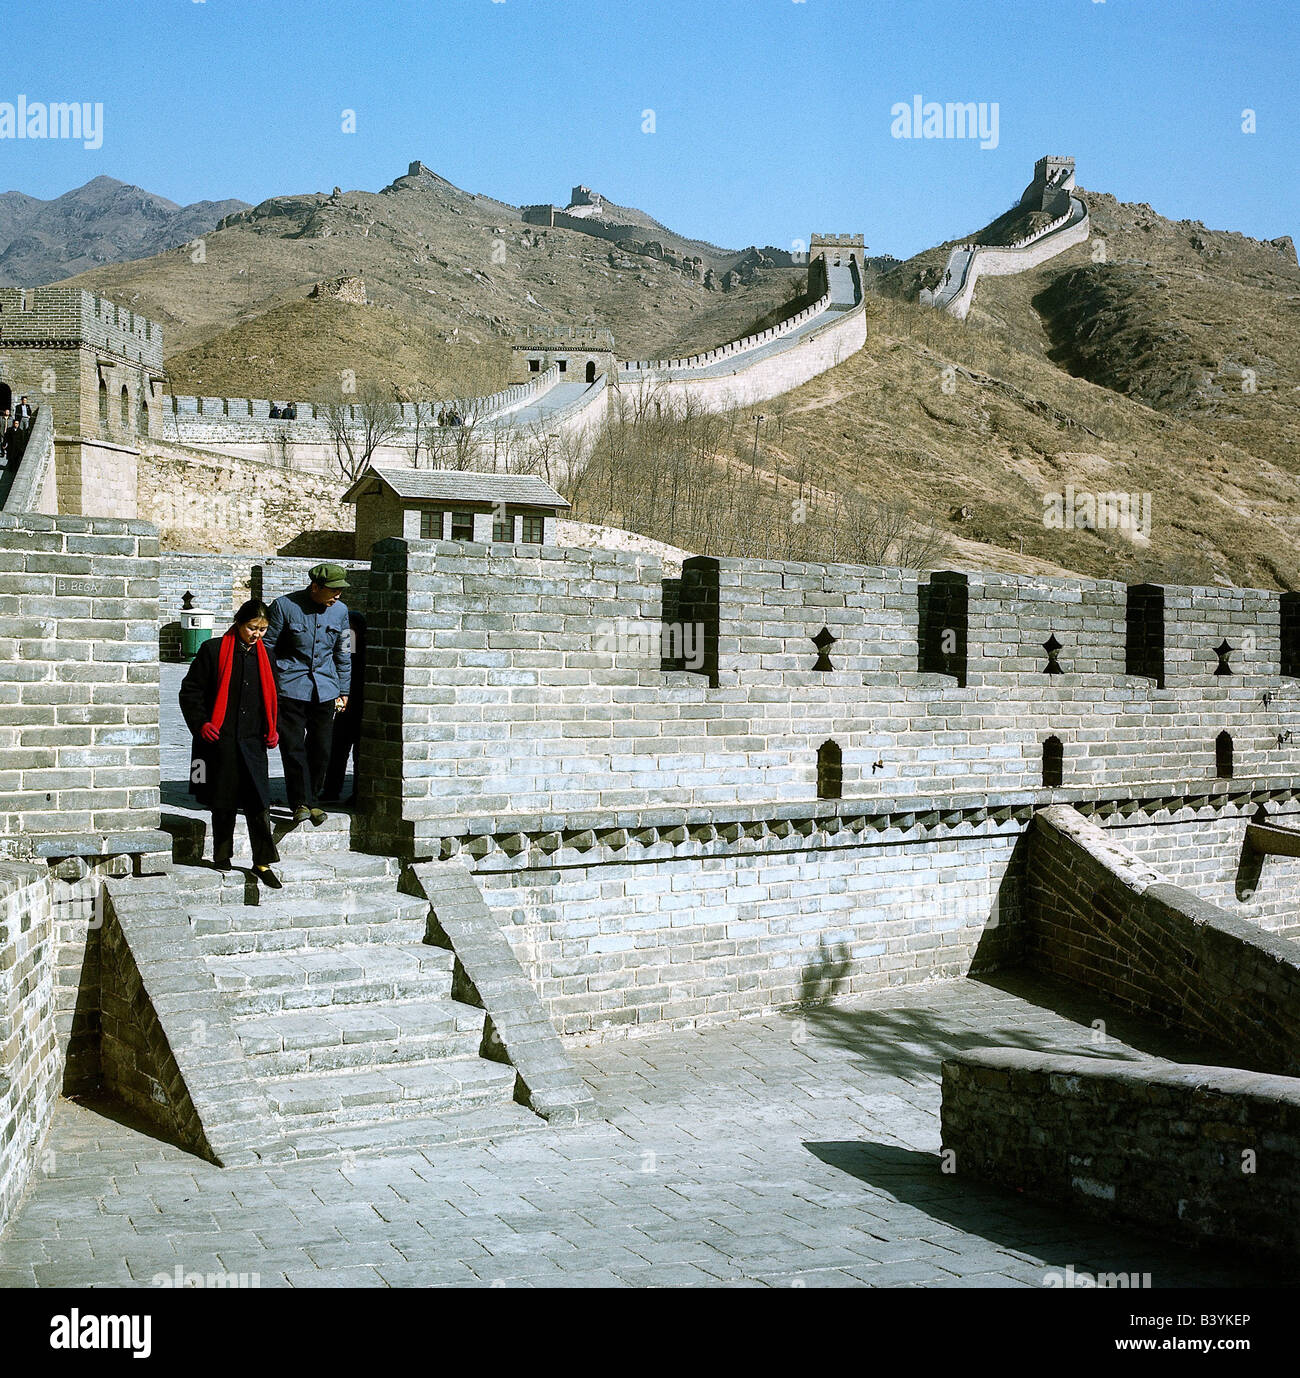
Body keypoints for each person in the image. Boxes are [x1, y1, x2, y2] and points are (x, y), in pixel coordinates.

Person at [178, 599, 282, 886]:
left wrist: (274, 728)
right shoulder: (212, 651)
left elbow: (275, 698)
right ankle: (221, 855)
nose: (257, 634)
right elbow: (190, 692)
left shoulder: (268, 657)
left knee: (259, 803)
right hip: (219, 741)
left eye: (262, 629)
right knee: (222, 801)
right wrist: (202, 724)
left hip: (252, 742)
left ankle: (262, 862)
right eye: (252, 628)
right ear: (238, 622)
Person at [263, 563, 352, 824]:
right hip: (289, 688)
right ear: (316, 587)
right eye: (334, 591)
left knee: (322, 748)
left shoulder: (341, 612)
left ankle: (312, 799)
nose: (338, 596)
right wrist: (270, 686)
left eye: (341, 591)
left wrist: (344, 689)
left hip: (325, 690)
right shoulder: (283, 606)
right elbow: (267, 648)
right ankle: (300, 802)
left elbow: (345, 651)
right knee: (293, 748)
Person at [321, 602, 366, 804]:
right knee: (338, 752)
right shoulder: (349, 643)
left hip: (356, 706)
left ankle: (345, 792)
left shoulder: (352, 642)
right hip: (347, 706)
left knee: (352, 753)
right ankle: (332, 791)